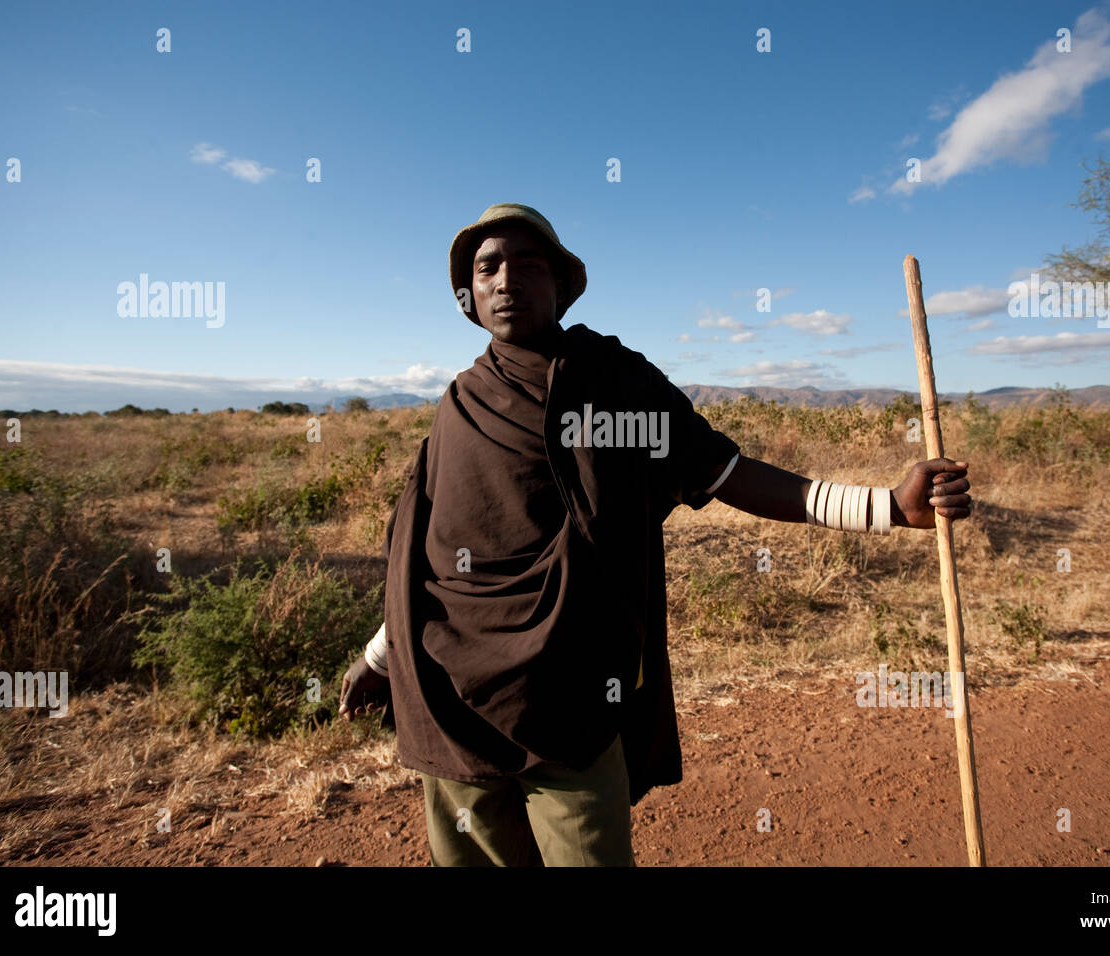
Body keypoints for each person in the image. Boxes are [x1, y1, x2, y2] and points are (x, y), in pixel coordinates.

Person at [338, 202, 972, 866]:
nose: (506, 280)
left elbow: (729, 473)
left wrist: (888, 508)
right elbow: (427, 562)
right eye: (488, 266)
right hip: (451, 704)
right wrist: (379, 660)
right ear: (469, 294)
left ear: (559, 283)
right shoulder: (458, 407)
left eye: (527, 264)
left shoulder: (615, 383)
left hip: (569, 699)